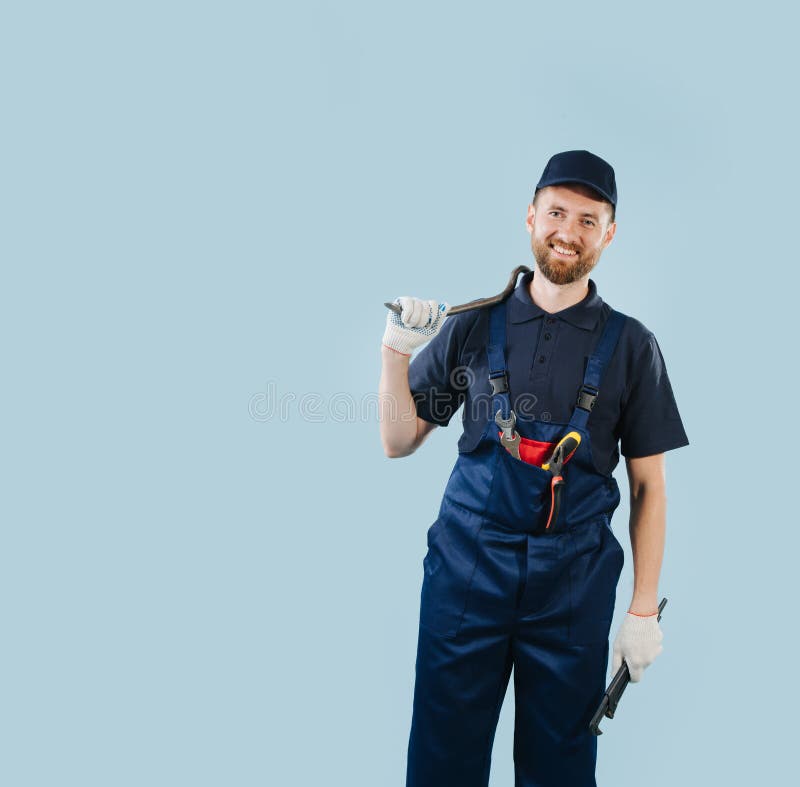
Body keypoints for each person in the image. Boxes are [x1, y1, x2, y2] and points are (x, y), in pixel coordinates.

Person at [378, 150, 689, 787]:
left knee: (560, 768)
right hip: (467, 569)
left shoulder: (632, 345)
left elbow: (649, 486)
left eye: (586, 218)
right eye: (555, 212)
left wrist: (641, 613)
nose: (567, 232)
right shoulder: (474, 327)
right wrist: (394, 352)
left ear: (608, 232)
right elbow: (398, 439)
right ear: (530, 216)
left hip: (572, 583)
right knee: (442, 758)